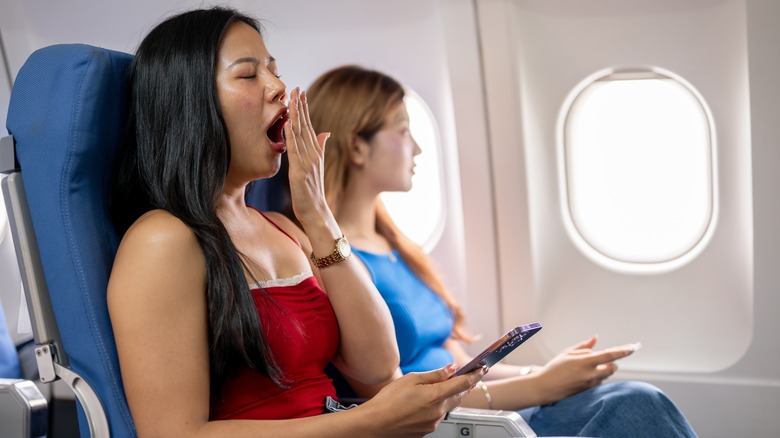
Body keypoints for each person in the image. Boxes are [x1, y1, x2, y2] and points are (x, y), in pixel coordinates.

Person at [107, 7, 485, 437]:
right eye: (249, 75)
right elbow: (175, 434)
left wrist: (320, 217)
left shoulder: (284, 230)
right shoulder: (162, 241)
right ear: (190, 103)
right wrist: (370, 420)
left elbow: (379, 369)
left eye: (275, 71)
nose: (279, 88)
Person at [307, 65, 698, 437]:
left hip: (473, 404)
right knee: (635, 405)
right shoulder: (333, 262)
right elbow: (387, 400)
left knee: (633, 397)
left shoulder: (394, 246)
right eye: (405, 131)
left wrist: (542, 373)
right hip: (444, 424)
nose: (419, 149)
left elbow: (456, 366)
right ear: (357, 146)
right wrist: (541, 387)